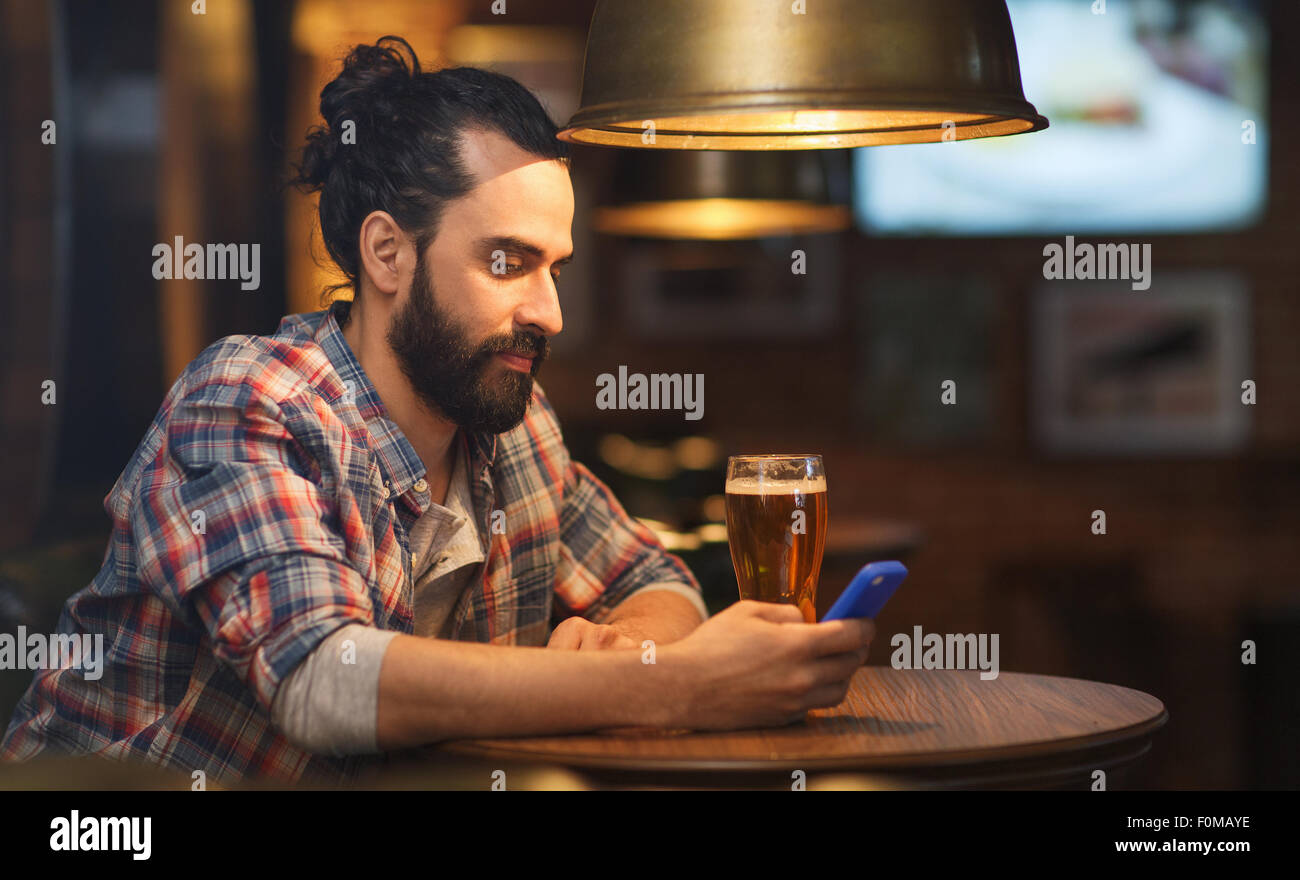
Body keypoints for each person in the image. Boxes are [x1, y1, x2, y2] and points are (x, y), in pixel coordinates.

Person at [0, 36, 874, 785]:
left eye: (555, 268)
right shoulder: (252, 401)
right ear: (387, 252)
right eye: (507, 262)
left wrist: (627, 648)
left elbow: (655, 580)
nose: (549, 313)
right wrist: (674, 685)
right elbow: (322, 679)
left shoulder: (515, 428)